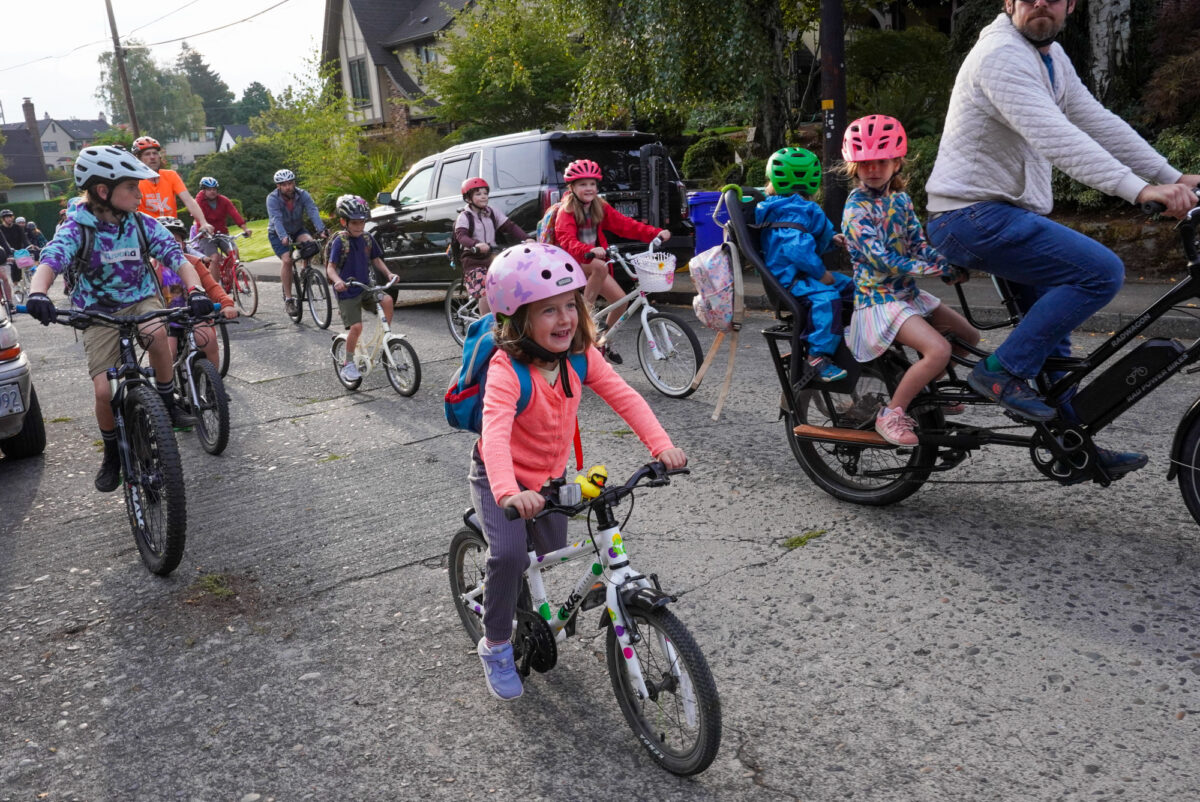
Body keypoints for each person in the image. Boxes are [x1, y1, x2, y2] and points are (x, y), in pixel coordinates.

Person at [924, 0, 1198, 475]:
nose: (1040, 5)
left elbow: (1096, 121)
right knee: (1100, 272)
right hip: (968, 216)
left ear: (1069, 5)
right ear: (1009, 3)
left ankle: (1073, 444)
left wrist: (1172, 175)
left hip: (1005, 216)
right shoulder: (1000, 56)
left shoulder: (1049, 57)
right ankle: (1001, 373)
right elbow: (1057, 137)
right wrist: (1141, 189)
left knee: (1055, 349)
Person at [469, 242, 688, 700]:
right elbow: (493, 435)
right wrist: (508, 492)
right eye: (548, 311)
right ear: (518, 320)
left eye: (570, 305)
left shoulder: (580, 356)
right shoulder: (507, 370)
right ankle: (495, 644)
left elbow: (624, 396)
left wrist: (661, 445)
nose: (566, 318)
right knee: (509, 557)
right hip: (500, 480)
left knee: (553, 553)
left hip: (548, 480)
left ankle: (537, 606)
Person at [23, 146, 215, 491]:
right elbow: (51, 260)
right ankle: (113, 452)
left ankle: (168, 401)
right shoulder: (78, 228)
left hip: (141, 298)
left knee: (157, 334)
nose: (139, 193)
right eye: (131, 187)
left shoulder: (141, 224)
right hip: (96, 311)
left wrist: (197, 291)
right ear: (103, 191)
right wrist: (37, 293)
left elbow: (176, 256)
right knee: (102, 391)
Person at [838, 115, 980, 445]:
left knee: (968, 335)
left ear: (897, 162)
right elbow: (882, 261)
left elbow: (917, 243)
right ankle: (893, 413)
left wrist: (949, 263)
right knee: (939, 350)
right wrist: (934, 271)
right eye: (865, 163)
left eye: (881, 161)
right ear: (854, 166)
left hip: (907, 295)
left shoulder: (900, 200)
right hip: (878, 300)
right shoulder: (855, 210)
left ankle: (924, 391)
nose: (873, 169)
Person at [553, 159, 670, 364]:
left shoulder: (599, 206)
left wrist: (656, 233)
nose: (588, 188)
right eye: (582, 184)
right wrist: (589, 250)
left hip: (591, 260)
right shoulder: (566, 211)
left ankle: (603, 342)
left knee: (620, 301)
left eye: (592, 184)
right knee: (599, 266)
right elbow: (566, 241)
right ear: (572, 188)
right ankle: (585, 314)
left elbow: (625, 225)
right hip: (571, 262)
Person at [755, 147, 853, 382]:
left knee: (852, 287)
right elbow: (797, 248)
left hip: (803, 275)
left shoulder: (790, 208)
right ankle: (818, 355)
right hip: (792, 279)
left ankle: (844, 332)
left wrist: (832, 237)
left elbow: (813, 230)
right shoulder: (791, 210)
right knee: (828, 299)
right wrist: (821, 274)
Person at [325, 194, 398, 383]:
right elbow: (330, 268)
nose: (359, 227)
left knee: (387, 301)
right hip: (347, 291)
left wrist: (389, 274)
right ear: (344, 221)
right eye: (355, 223)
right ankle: (347, 364)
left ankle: (386, 339)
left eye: (362, 222)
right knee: (356, 327)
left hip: (366, 286)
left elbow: (376, 259)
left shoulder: (367, 238)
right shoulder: (340, 242)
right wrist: (337, 281)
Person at [157, 215, 238, 370]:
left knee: (208, 340)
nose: (171, 246)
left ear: (183, 243)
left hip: (194, 315)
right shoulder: (153, 268)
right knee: (167, 351)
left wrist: (226, 304)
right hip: (167, 320)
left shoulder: (193, 262)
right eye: (165, 242)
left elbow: (212, 287)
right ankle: (165, 388)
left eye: (176, 241)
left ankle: (213, 386)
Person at [454, 177, 529, 315]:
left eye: (485, 193)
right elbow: (461, 236)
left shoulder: (492, 212)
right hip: (473, 259)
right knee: (485, 289)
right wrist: (475, 244)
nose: (483, 196)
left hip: (493, 255)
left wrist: (527, 238)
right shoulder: (465, 216)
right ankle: (486, 325)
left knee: (510, 282)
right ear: (468, 199)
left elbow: (510, 227)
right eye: (478, 194)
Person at [266, 168, 326, 317]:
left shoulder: (302, 194)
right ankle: (288, 299)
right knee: (287, 260)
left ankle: (305, 270)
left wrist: (321, 229)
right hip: (277, 233)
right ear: (278, 186)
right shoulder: (272, 198)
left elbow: (312, 210)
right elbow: (276, 219)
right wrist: (283, 236)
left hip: (297, 229)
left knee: (311, 245)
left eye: (290, 183)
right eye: (284, 184)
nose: (288, 187)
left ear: (294, 183)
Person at [130, 136, 213, 238]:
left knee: (199, 254)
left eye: (155, 153)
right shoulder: (134, 181)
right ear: (138, 159)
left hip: (172, 233)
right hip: (149, 235)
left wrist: (203, 222)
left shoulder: (171, 175)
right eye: (147, 154)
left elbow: (188, 200)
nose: (152, 157)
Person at [194, 176, 252, 280]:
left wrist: (245, 229)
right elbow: (197, 216)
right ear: (203, 190)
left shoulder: (223, 200)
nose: (212, 192)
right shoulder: (199, 201)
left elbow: (235, 214)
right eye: (209, 189)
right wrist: (204, 227)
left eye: (214, 189)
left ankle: (230, 277)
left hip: (222, 232)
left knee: (234, 252)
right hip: (205, 236)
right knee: (214, 258)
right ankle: (216, 288)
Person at [0, 209, 29, 302]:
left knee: (27, 264)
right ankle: (15, 285)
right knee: (13, 267)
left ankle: (25, 280)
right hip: (8, 252)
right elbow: (4, 242)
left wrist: (29, 245)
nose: (9, 219)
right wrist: (8, 253)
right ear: (3, 219)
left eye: (10, 217)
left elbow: (24, 238)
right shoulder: (1, 229)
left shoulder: (17, 227)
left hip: (18, 250)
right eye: (6, 217)